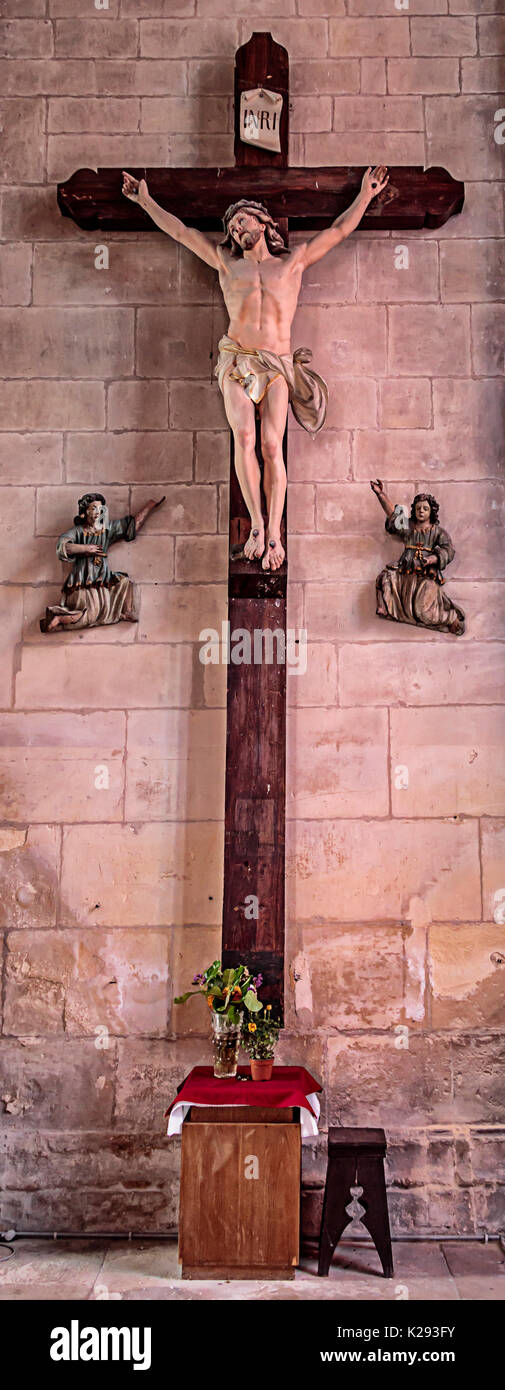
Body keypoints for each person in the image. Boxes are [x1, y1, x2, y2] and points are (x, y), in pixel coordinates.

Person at [122, 166, 389, 570]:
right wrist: (145, 201)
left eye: (241, 219)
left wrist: (365, 196)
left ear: (262, 221)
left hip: (276, 362)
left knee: (271, 444)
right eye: (231, 226)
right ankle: (258, 526)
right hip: (237, 359)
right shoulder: (227, 264)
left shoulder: (292, 262)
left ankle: (276, 531)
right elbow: (180, 232)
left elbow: (337, 232)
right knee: (243, 437)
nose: (235, 228)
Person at [40, 493, 164, 632]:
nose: (98, 512)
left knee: (124, 582)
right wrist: (86, 548)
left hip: (101, 578)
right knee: (91, 616)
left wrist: (149, 506)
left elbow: (132, 526)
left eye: (100, 509)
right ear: (84, 511)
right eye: (93, 508)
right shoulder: (77, 532)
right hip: (83, 580)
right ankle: (58, 618)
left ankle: (126, 611)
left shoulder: (106, 530)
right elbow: (62, 546)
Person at [371, 480, 465, 635]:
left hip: (425, 576)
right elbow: (393, 515)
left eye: (425, 508)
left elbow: (448, 550)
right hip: (406, 573)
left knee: (423, 612)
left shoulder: (437, 532)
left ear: (431, 512)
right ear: (414, 510)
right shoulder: (409, 527)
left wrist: (432, 559)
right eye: (419, 508)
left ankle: (451, 618)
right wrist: (381, 494)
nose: (421, 511)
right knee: (384, 578)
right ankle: (384, 608)